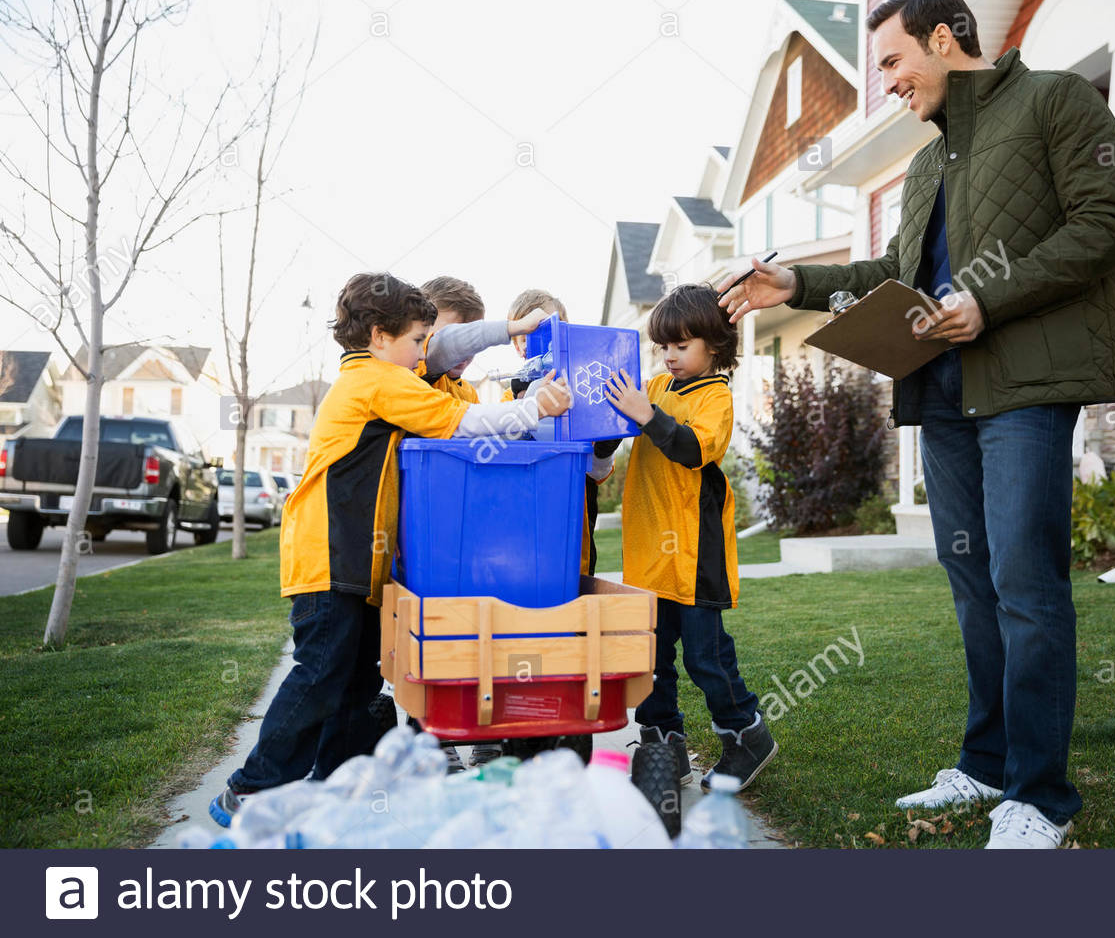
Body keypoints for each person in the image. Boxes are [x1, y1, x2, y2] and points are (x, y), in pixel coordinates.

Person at [717, 0, 1115, 848]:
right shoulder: (923, 164)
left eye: (894, 62)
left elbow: (1109, 221)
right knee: (973, 582)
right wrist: (793, 283)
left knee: (1026, 582)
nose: (890, 84)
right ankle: (987, 764)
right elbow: (890, 273)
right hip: (943, 394)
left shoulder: (1054, 100)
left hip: (1023, 387)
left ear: (945, 38)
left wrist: (986, 297)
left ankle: (1041, 796)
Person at [209, 273, 571, 827]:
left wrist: (507, 329)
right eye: (417, 341)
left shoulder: (371, 371)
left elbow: (448, 349)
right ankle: (251, 788)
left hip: (347, 558)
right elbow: (466, 423)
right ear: (380, 337)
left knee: (355, 680)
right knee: (321, 673)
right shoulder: (379, 381)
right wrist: (535, 410)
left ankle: (334, 787)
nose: (425, 353)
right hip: (330, 556)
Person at [605, 284, 777, 791]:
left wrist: (646, 415)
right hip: (648, 557)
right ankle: (663, 742)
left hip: (694, 555)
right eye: (664, 346)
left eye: (682, 345)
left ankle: (745, 734)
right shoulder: (655, 387)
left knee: (706, 657)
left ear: (715, 348)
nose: (670, 355)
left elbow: (691, 449)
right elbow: (615, 428)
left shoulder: (715, 397)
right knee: (651, 657)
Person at [503, 288, 616, 578]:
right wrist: (526, 402)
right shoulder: (509, 397)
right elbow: (505, 448)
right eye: (523, 335)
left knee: (576, 576)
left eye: (544, 332)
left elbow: (597, 471)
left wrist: (605, 443)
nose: (530, 344)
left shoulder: (584, 392)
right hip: (530, 505)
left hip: (576, 506)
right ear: (516, 345)